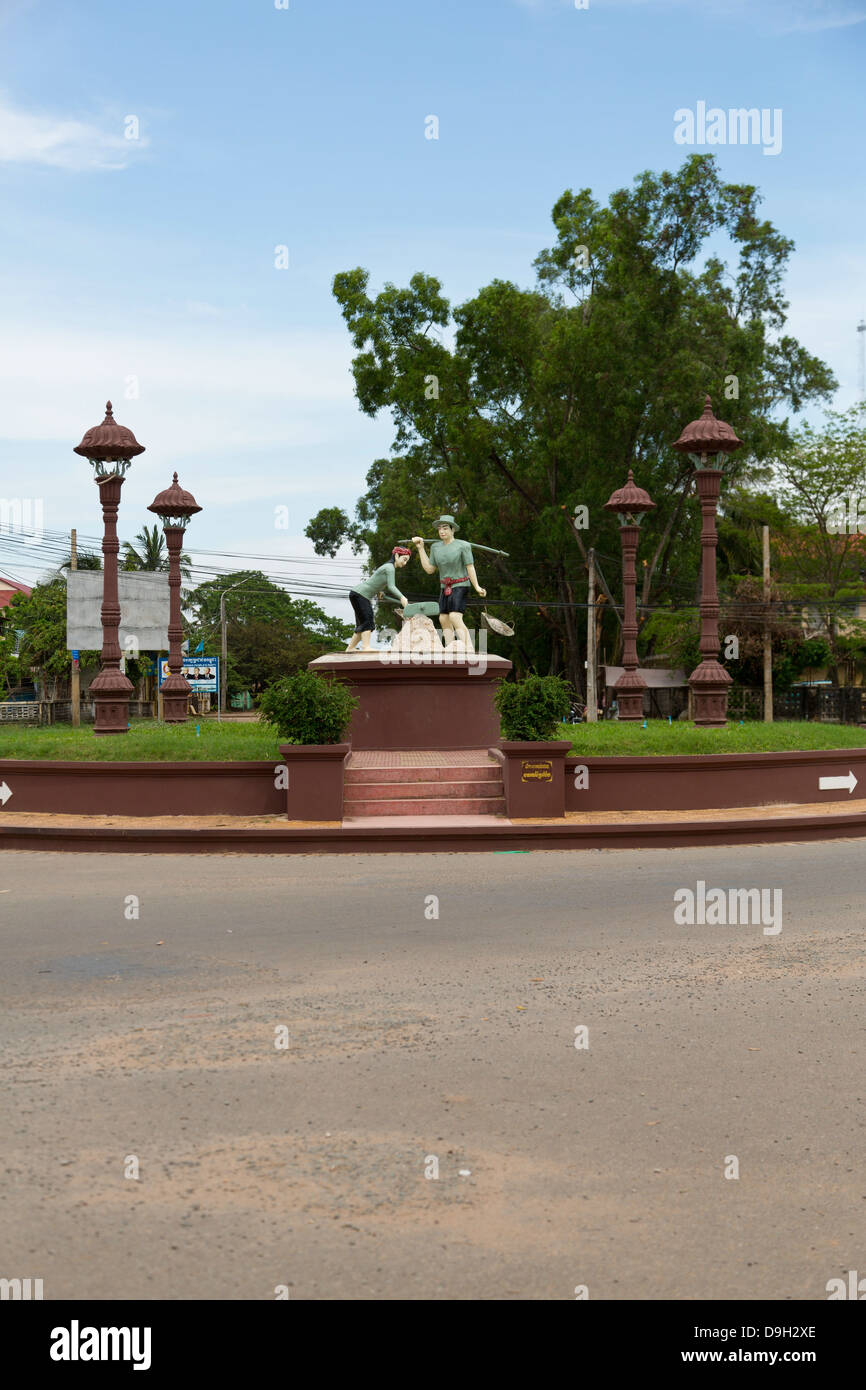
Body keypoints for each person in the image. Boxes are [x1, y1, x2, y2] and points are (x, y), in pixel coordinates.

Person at [411, 515, 486, 650]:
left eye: (445, 528)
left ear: (453, 530)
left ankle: (468, 647)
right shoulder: (435, 547)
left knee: (455, 617)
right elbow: (429, 569)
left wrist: (477, 586)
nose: (442, 531)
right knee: (443, 619)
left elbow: (470, 567)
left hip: (461, 585)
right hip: (444, 586)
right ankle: (451, 647)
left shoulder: (463, 546)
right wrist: (420, 548)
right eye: (439, 528)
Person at [346, 547, 411, 652]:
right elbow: (391, 586)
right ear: (396, 556)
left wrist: (379, 591)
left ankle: (351, 648)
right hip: (361, 595)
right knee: (368, 622)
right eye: (404, 559)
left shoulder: (388, 567)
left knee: (363, 624)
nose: (405, 563)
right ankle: (365, 647)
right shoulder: (390, 568)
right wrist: (402, 597)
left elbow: (375, 580)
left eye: (406, 561)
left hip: (357, 594)